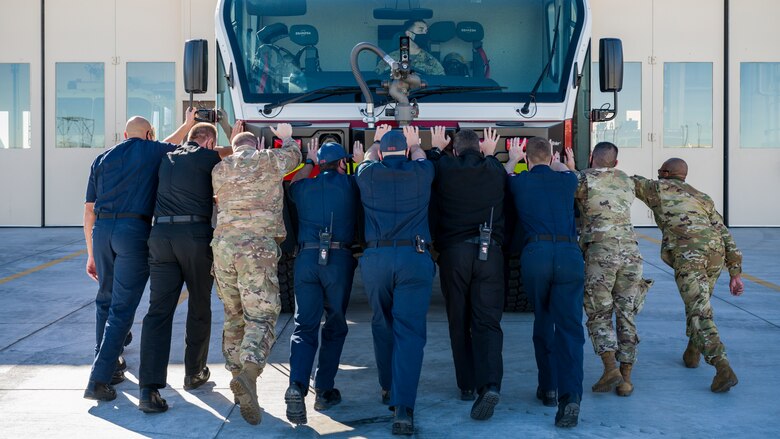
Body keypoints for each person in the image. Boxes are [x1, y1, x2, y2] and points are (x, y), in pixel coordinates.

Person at [82, 109, 197, 401]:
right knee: (122, 309)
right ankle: (98, 379)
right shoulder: (151, 150)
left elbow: (88, 210)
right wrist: (187, 126)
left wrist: (91, 254)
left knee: (105, 302)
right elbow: (179, 148)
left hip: (103, 232)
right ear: (149, 136)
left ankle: (107, 365)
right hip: (133, 231)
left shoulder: (102, 158)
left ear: (123, 136)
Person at [137, 122, 235, 413]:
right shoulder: (206, 156)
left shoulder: (165, 156)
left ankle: (148, 389)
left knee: (158, 311)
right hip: (194, 236)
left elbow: (162, 143)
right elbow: (236, 152)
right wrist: (233, 129)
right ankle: (194, 372)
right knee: (199, 304)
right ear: (207, 142)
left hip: (160, 237)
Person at [211, 123, 302, 425]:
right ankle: (249, 373)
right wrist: (286, 137)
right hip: (255, 249)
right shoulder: (268, 160)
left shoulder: (220, 169)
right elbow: (293, 154)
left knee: (234, 315)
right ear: (258, 143)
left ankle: (239, 382)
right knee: (261, 316)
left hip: (223, 248)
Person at [632, 158, 744, 393]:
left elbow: (623, 182)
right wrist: (735, 272)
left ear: (665, 172)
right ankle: (693, 352)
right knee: (700, 302)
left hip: (689, 253)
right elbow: (723, 232)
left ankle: (722, 366)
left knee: (698, 309)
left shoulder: (657, 188)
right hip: (715, 253)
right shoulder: (702, 196)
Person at [355, 125, 435, 436]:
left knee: (382, 323)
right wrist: (416, 144)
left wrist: (376, 140)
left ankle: (387, 387)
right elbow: (420, 157)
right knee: (410, 332)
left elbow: (368, 158)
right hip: (413, 258)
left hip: (376, 260)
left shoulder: (367, 173)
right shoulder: (421, 172)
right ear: (405, 151)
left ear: (380, 152)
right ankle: (403, 408)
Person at [504, 137, 584, 428]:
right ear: (551, 157)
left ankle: (548, 388)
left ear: (528, 159)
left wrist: (514, 157)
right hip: (569, 255)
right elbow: (567, 170)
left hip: (536, 254)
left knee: (543, 319)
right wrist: (560, 160)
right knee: (571, 329)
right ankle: (571, 397)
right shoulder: (567, 181)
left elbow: (504, 174)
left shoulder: (519, 181)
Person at [283, 139, 364, 425]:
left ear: (320, 164)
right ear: (343, 163)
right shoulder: (352, 184)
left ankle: (296, 385)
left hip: (306, 260)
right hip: (338, 261)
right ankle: (324, 389)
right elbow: (364, 178)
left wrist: (308, 162)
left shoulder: (302, 187)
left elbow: (294, 184)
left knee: (304, 326)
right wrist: (359, 160)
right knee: (335, 323)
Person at [562, 142, 652, 397]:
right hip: (631, 254)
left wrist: (572, 169)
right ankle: (625, 380)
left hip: (602, 254)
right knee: (626, 313)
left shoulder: (583, 179)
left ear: (592, 158)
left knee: (599, 312)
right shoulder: (626, 180)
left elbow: (575, 187)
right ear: (615, 162)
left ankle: (610, 368)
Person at [428, 126, 505, 420]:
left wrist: (436, 148)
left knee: (459, 320)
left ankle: (466, 386)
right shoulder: (494, 170)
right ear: (481, 149)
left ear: (455, 150)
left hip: (455, 254)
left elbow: (429, 165)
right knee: (488, 322)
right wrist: (492, 154)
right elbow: (499, 165)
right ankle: (491, 385)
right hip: (490, 254)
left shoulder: (444, 167)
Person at [376, 19, 445, 76]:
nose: (424, 34)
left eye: (426, 31)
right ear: (408, 34)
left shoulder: (432, 62)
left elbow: (441, 84)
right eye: (420, 30)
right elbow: (376, 80)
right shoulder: (389, 59)